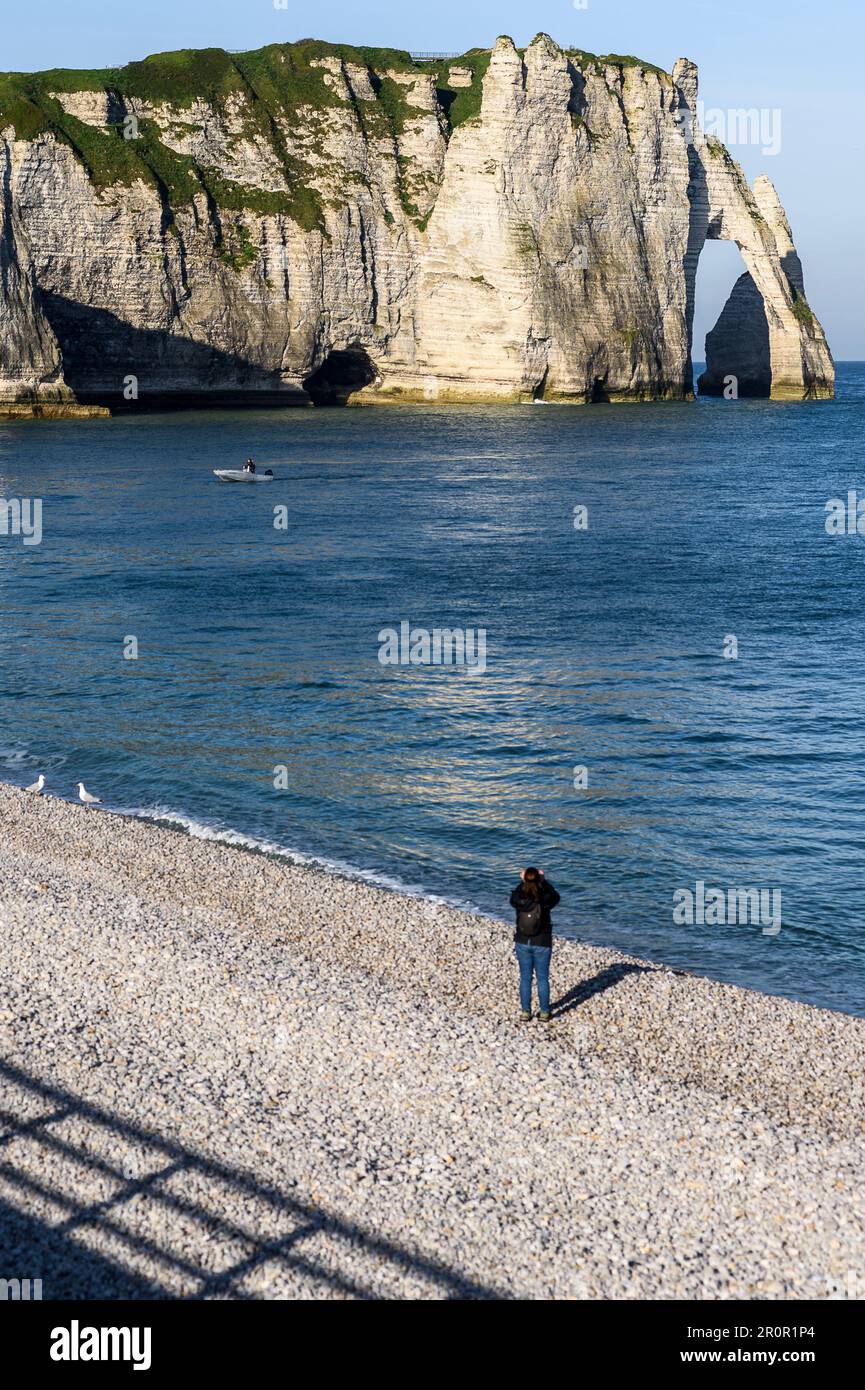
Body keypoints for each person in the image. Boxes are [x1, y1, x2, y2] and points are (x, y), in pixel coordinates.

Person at [509, 867, 560, 1023]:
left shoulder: (519, 898)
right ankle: (544, 1012)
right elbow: (556, 897)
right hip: (542, 941)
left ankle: (526, 1012)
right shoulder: (544, 899)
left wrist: (522, 881)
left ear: (524, 879)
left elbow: (513, 896)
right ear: (539, 879)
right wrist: (544, 882)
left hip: (523, 940)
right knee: (542, 978)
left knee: (525, 977)